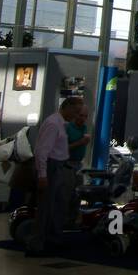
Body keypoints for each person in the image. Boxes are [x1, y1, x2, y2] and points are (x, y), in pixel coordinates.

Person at [27, 96, 84, 257]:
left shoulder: (61, 124)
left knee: (58, 206)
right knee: (46, 206)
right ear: (67, 107)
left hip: (59, 167)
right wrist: (43, 175)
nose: (77, 115)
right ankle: (36, 244)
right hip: (51, 168)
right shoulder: (53, 124)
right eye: (76, 111)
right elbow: (42, 151)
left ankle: (52, 240)